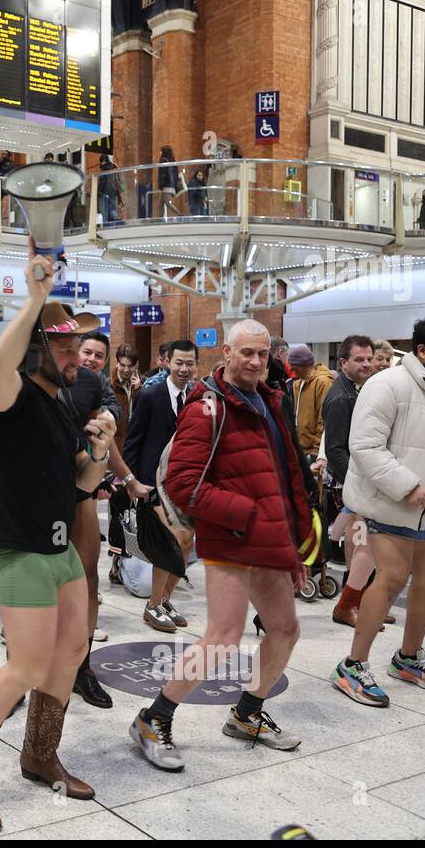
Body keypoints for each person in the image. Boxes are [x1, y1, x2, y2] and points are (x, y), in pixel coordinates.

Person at [0, 246, 113, 830]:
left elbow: (80, 482)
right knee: (28, 663)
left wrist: (100, 452)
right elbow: (4, 359)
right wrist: (34, 299)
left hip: (61, 547)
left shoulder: (61, 400)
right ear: (39, 346)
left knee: (69, 653)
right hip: (19, 548)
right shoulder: (11, 394)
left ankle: (40, 755)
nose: (74, 355)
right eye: (62, 345)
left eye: (78, 345)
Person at [130, 320, 317, 772]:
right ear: (227, 353)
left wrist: (294, 545)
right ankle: (152, 719)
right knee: (224, 637)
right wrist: (248, 516)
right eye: (246, 353)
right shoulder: (207, 407)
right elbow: (183, 483)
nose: (255, 361)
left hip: (270, 537)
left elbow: (286, 476)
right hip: (232, 537)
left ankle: (247, 714)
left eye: (262, 353)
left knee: (286, 629)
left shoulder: (272, 399)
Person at [333, 315, 425, 708]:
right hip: (394, 501)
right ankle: (352, 665)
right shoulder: (387, 385)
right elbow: (364, 447)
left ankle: (409, 658)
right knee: (392, 577)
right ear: (421, 350)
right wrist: (406, 485)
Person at [67, 332, 129, 704]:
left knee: (87, 578)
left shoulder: (98, 387)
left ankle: (82, 667)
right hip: (36, 490)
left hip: (81, 487)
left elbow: (112, 411)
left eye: (97, 354)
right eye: (84, 351)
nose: (90, 358)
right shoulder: (40, 378)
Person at [122, 339, 198, 633]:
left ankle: (165, 599)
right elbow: (133, 441)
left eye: (189, 363)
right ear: (167, 362)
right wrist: (132, 481)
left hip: (185, 482)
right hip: (154, 483)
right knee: (171, 541)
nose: (183, 368)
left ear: (196, 365)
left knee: (187, 543)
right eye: (178, 362)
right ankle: (153, 605)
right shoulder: (150, 395)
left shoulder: (198, 397)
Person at [320, 335, 382, 628]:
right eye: (359, 359)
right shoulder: (341, 397)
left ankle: (358, 599)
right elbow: (334, 448)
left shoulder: (355, 390)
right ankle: (353, 602)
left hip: (357, 481)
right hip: (353, 481)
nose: (367, 364)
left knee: (360, 542)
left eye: (369, 358)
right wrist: (357, 484)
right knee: (362, 543)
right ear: (343, 363)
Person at [106, 344, 145, 585]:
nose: (126, 370)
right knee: (118, 510)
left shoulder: (140, 387)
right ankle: (115, 563)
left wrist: (138, 393)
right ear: (117, 363)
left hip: (132, 456)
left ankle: (122, 562)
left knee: (130, 513)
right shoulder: (109, 386)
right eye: (123, 365)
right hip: (113, 455)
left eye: (131, 366)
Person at [287, 343, 331, 456]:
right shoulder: (298, 382)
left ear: (303, 365)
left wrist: (317, 449)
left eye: (294, 367)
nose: (292, 370)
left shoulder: (323, 382)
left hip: (313, 450)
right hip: (301, 447)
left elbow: (324, 418)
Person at [156, 146, 183, 217]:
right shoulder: (173, 161)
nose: (160, 152)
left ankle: (180, 214)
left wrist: (161, 184)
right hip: (172, 185)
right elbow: (176, 174)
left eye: (161, 151)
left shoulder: (163, 160)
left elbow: (163, 174)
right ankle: (160, 219)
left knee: (168, 203)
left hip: (166, 185)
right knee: (161, 204)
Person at [98, 155, 123, 225]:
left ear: (103, 161)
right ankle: (116, 220)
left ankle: (106, 225)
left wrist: (99, 192)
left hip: (104, 193)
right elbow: (118, 180)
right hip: (114, 192)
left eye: (100, 162)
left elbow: (102, 181)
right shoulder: (114, 167)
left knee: (104, 211)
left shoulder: (103, 168)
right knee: (112, 209)